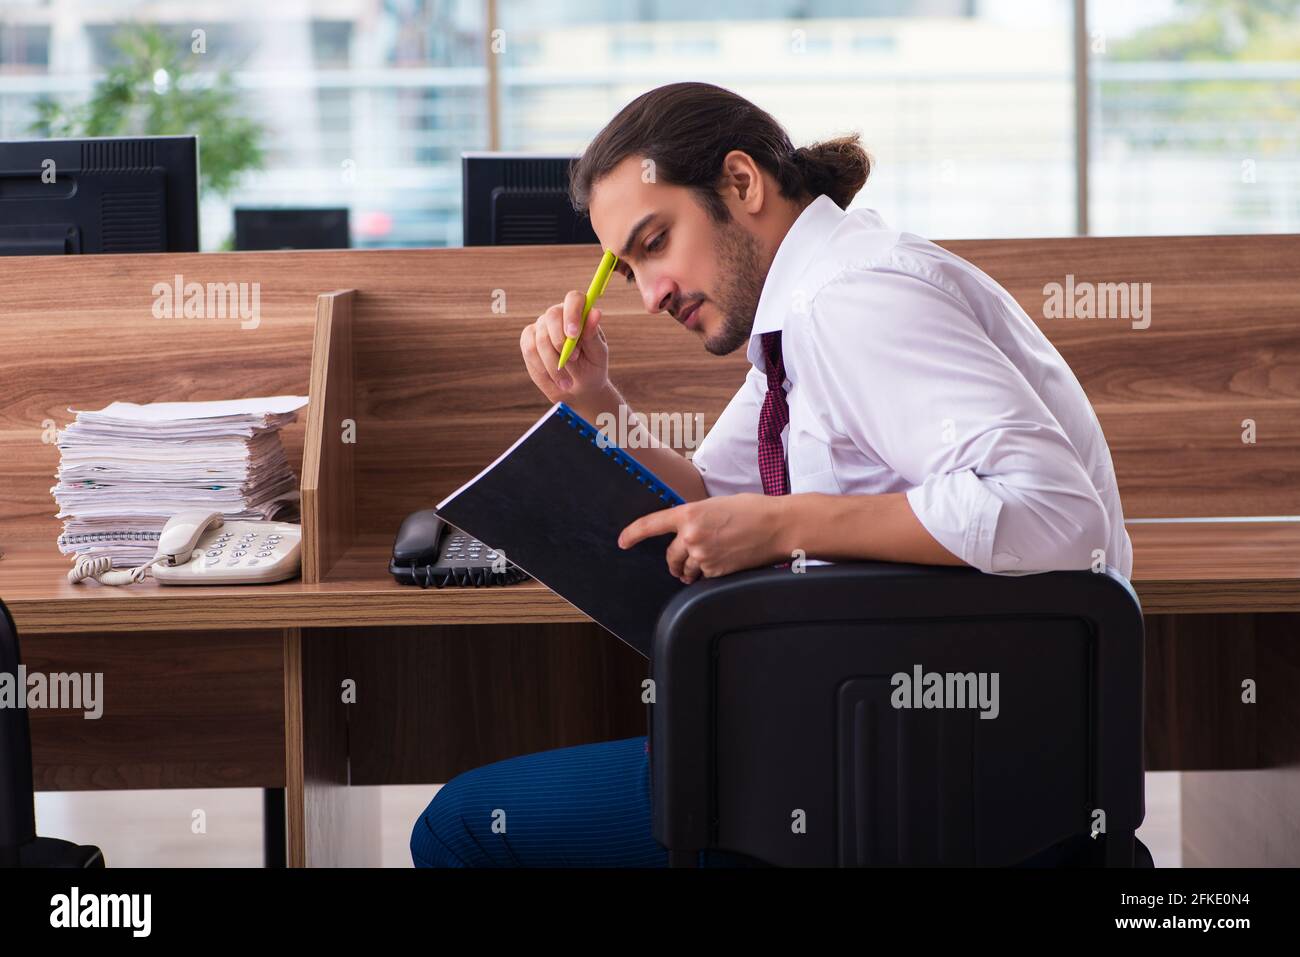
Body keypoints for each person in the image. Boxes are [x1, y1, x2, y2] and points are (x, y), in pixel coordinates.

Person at [411, 81, 1133, 868]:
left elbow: (1058, 513)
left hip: (904, 764)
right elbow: (711, 502)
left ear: (742, 183)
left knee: (460, 827)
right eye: (626, 272)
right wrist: (595, 401)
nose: (650, 295)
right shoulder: (799, 315)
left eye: (655, 244)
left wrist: (789, 524)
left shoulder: (853, 300)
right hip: (892, 733)